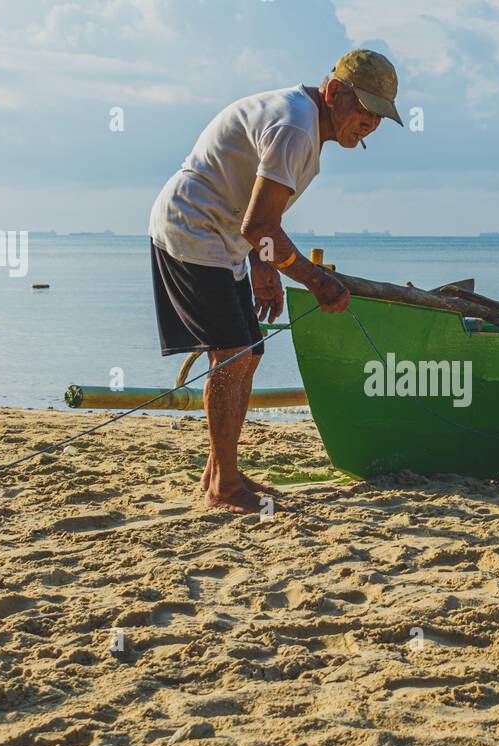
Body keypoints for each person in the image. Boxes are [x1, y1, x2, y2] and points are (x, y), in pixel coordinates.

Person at [149, 49, 402, 513]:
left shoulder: (303, 122)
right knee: (232, 355)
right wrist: (317, 281)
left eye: (379, 117)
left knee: (248, 351)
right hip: (192, 228)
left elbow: (257, 213)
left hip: (224, 235)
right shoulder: (295, 127)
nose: (369, 124)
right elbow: (261, 227)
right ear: (334, 92)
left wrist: (265, 270)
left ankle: (219, 470)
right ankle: (223, 487)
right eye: (364, 109)